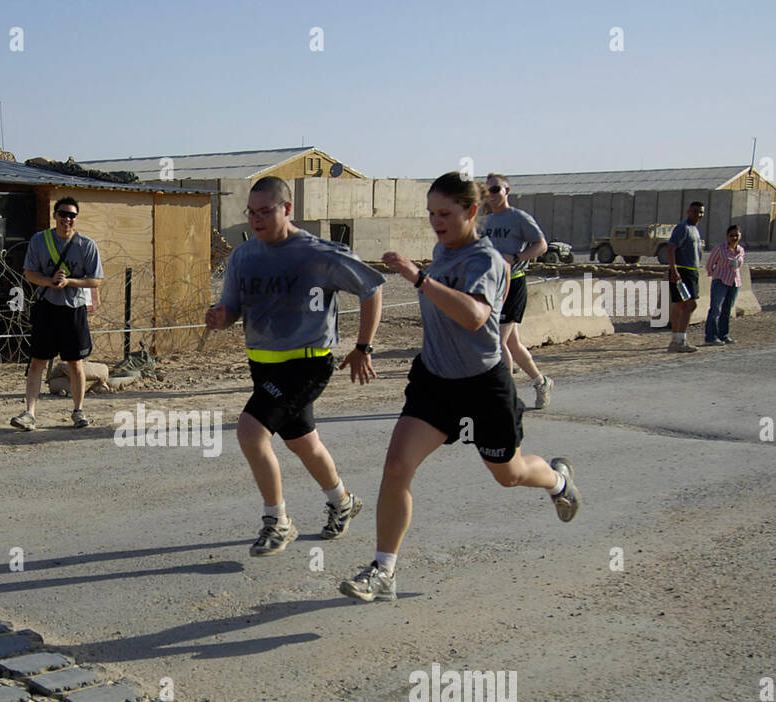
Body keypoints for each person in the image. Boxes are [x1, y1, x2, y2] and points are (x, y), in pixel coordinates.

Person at [340, 172, 581, 603]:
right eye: (431, 213)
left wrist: (420, 280)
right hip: (434, 381)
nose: (436, 221)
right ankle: (383, 570)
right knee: (397, 467)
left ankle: (559, 482)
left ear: (472, 212)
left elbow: (473, 317)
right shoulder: (441, 249)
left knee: (510, 475)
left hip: (482, 386)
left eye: (445, 213)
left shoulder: (485, 260)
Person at [205, 175, 384, 556]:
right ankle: (343, 501)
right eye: (250, 212)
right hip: (264, 366)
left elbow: (372, 288)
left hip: (308, 364)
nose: (256, 219)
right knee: (304, 443)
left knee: (251, 432)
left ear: (287, 209)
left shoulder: (318, 253)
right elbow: (233, 309)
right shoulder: (243, 256)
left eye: (265, 211)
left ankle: (278, 521)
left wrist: (363, 347)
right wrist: (221, 317)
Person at [10, 197, 104, 430]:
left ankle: (78, 410)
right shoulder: (40, 241)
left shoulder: (86, 245)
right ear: (55, 215)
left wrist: (69, 281)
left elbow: (96, 280)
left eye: (72, 215)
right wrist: (50, 283)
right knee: (37, 362)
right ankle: (29, 413)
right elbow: (29, 273)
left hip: (73, 309)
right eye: (63, 214)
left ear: (76, 219)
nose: (67, 219)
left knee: (75, 363)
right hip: (47, 307)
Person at [482, 174, 553, 407]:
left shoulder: (519, 218)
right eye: (488, 190)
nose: (491, 195)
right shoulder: (487, 221)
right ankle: (541, 382)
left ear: (507, 190)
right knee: (512, 344)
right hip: (492, 285)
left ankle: (505, 397)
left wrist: (517, 257)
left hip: (514, 282)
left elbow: (541, 245)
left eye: (495, 190)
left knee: (498, 341)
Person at [666, 201, 704, 353]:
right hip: (684, 271)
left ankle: (676, 339)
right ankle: (680, 340)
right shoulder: (683, 228)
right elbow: (671, 249)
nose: (698, 215)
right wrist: (674, 270)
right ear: (688, 212)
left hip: (690, 270)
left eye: (700, 212)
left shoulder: (694, 229)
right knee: (690, 305)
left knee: (680, 305)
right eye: (695, 211)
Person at [703, 224, 745, 346]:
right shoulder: (720, 249)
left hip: (734, 282)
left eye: (736, 235)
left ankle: (724, 335)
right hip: (721, 281)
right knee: (715, 309)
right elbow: (709, 264)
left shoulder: (741, 250)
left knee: (727, 310)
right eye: (731, 235)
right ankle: (711, 337)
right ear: (727, 236)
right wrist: (715, 275)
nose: (734, 238)